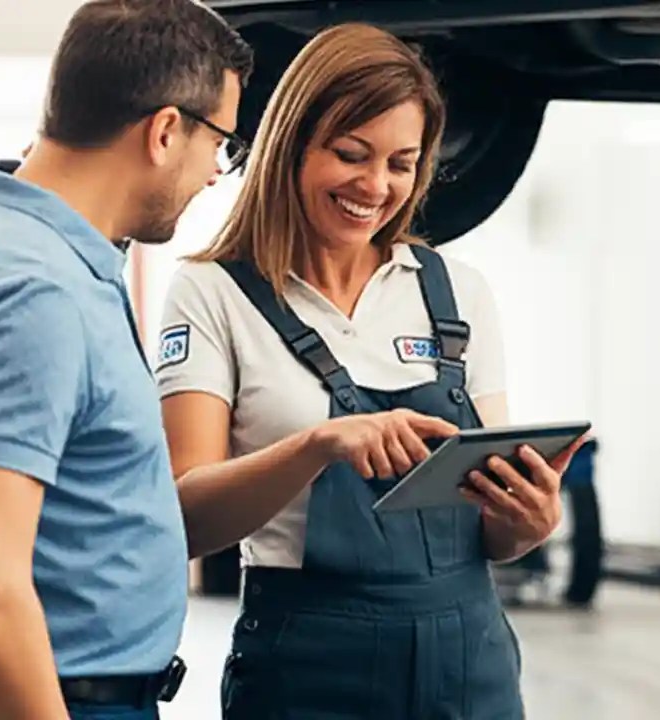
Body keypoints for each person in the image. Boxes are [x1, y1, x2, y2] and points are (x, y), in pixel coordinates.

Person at [156, 23, 585, 719]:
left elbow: (492, 532)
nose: (375, 186)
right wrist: (320, 444)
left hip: (469, 656)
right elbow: (187, 518)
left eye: (401, 163)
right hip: (307, 662)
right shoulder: (211, 294)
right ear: (290, 144)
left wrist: (528, 522)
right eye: (351, 154)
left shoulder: (457, 292)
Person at [0, 2, 253, 718]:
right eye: (222, 144)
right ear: (165, 130)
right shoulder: (36, 288)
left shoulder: (33, 245)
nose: (216, 174)